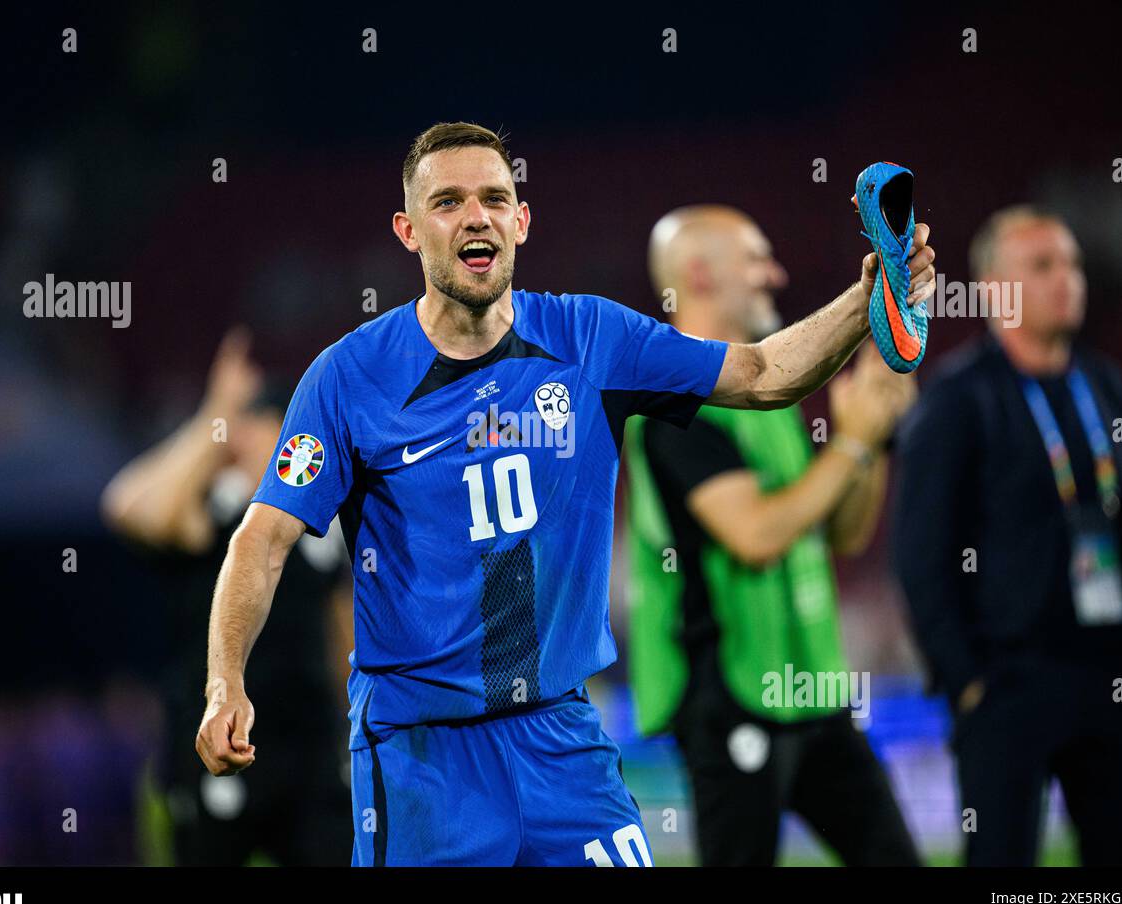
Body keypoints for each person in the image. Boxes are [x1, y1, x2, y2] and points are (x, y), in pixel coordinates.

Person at [196, 122, 937, 866]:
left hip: (563, 744)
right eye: (447, 202)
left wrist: (867, 297)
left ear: (522, 220)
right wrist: (225, 681)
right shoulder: (349, 376)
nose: (475, 215)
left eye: (494, 197)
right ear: (408, 231)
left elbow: (760, 372)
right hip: (424, 758)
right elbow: (262, 539)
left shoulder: (591, 337)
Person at [625, 205, 921, 865]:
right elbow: (756, 534)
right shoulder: (672, 401)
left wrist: (868, 444)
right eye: (757, 258)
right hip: (732, 695)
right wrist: (848, 444)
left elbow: (839, 534)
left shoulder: (770, 400)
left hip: (812, 686)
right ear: (699, 274)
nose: (776, 273)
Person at [893, 206, 1122, 866]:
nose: (1066, 279)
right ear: (993, 288)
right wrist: (967, 681)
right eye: (1042, 266)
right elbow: (920, 553)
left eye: (1071, 263)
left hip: (1116, 676)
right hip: (1011, 680)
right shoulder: (957, 398)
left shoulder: (1101, 382)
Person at [102, 329, 353, 865]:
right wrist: (214, 415)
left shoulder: (321, 532)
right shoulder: (210, 513)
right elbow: (127, 507)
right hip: (217, 750)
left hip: (307, 754)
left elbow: (341, 634)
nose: (238, 439)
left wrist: (355, 720)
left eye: (255, 427)